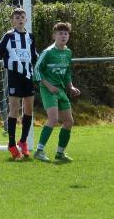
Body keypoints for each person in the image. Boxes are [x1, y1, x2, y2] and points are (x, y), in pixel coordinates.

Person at [0, 7, 39, 161]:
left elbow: (35, 56)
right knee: (14, 109)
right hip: (14, 76)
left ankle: (23, 141)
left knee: (29, 108)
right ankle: (11, 144)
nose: (19, 19)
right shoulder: (8, 36)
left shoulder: (30, 37)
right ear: (12, 20)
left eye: (22, 17)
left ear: (26, 20)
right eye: (16, 17)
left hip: (28, 76)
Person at [32, 22, 81, 162]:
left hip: (60, 90)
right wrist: (48, 86)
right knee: (53, 119)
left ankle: (60, 153)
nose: (63, 36)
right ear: (54, 35)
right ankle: (39, 151)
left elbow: (67, 73)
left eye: (66, 33)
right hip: (48, 89)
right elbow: (36, 70)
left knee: (69, 121)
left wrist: (70, 87)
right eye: (60, 33)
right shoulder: (48, 52)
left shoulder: (68, 52)